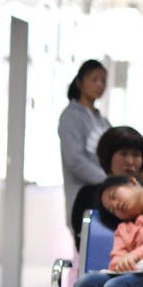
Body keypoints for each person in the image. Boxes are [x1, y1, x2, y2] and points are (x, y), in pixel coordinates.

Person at [58, 59, 111, 233]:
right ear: (80, 82)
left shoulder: (102, 121)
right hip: (82, 199)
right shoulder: (70, 117)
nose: (100, 85)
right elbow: (75, 160)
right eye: (95, 79)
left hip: (106, 200)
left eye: (103, 80)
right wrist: (108, 181)